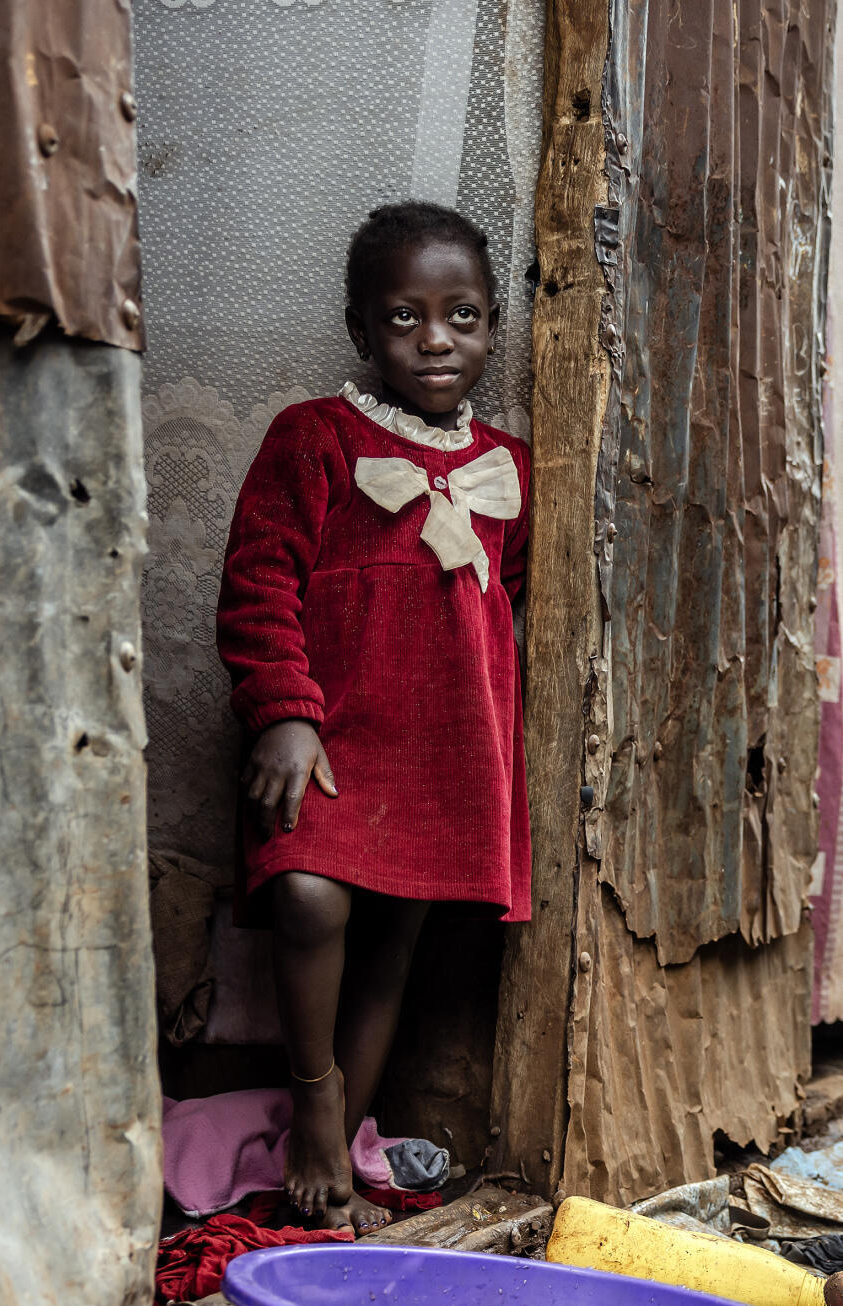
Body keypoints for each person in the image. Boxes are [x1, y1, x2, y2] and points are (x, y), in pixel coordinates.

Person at [215, 202, 533, 1230]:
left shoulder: (511, 470)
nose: (436, 340)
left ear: (493, 328)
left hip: (440, 751)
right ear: (360, 329)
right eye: (404, 317)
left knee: (396, 934)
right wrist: (284, 715)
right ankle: (316, 1103)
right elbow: (258, 580)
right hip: (334, 730)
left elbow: (504, 598)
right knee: (309, 897)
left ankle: (346, 1142)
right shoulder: (314, 439)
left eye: (463, 316)